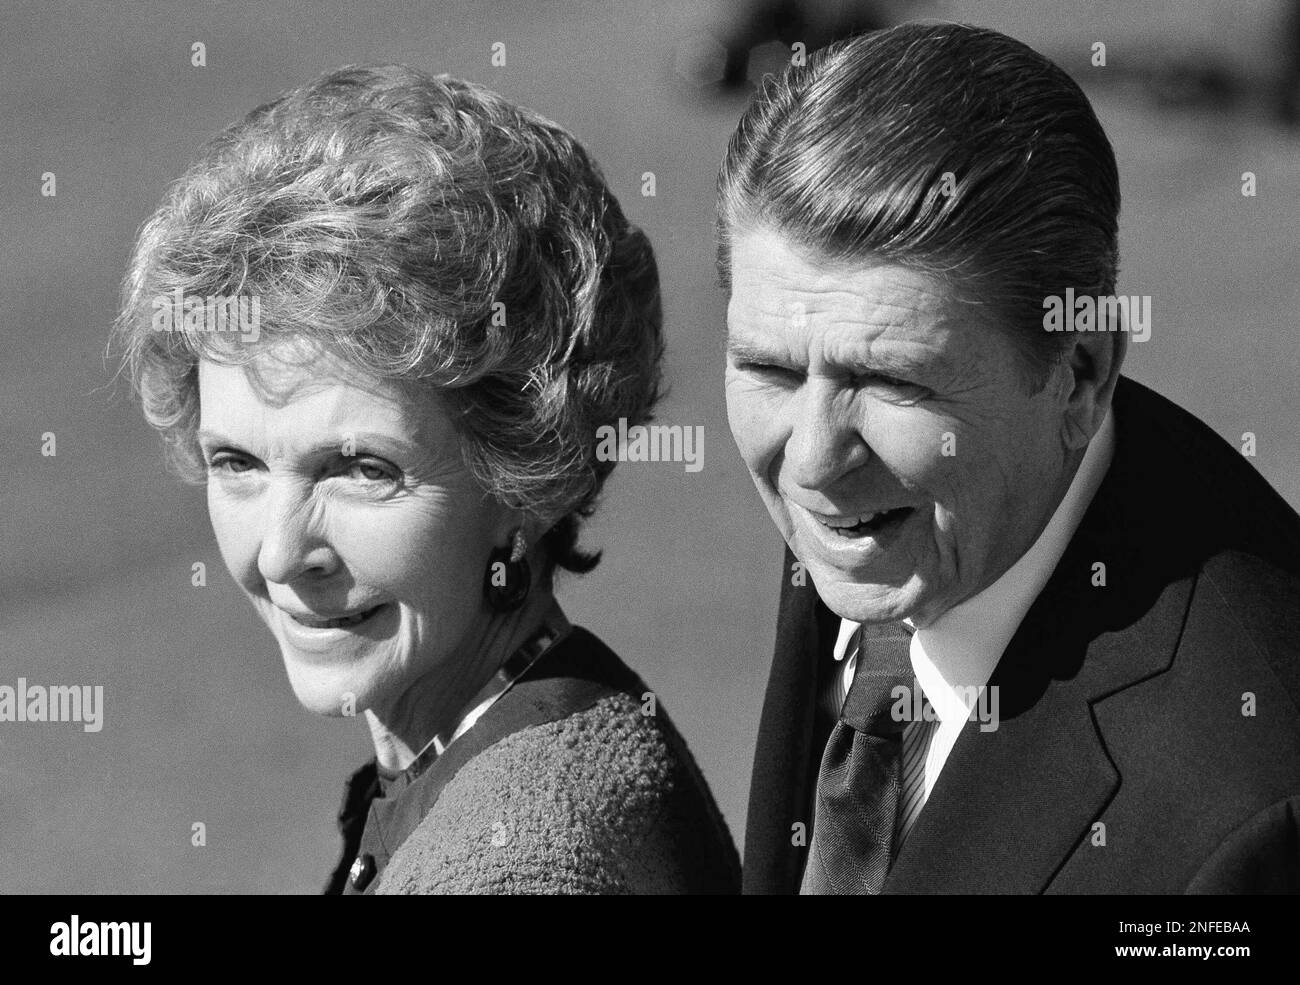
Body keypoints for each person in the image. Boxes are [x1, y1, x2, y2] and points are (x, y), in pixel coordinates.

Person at [115, 64, 739, 894]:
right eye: (237, 463)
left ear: (524, 475)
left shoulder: (516, 859)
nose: (278, 552)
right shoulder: (520, 741)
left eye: (360, 470)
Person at [717, 23, 1300, 893]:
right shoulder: (903, 512)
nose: (808, 460)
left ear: (1081, 373)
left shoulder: (1242, 814)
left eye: (889, 381)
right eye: (766, 366)